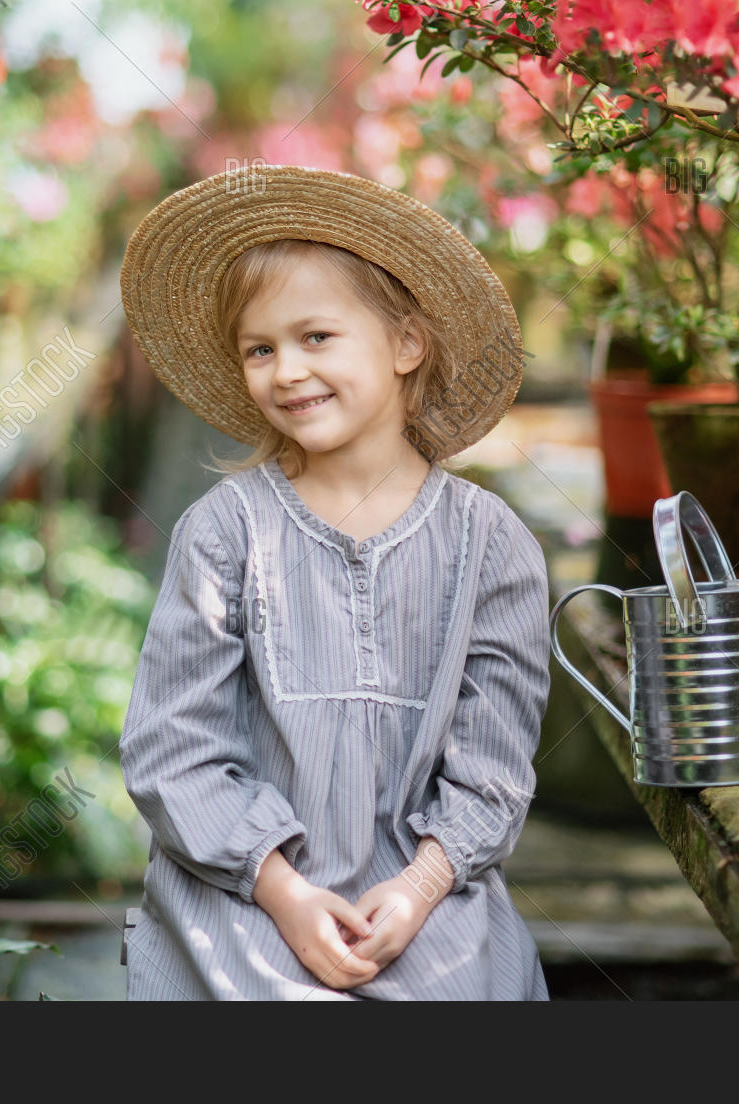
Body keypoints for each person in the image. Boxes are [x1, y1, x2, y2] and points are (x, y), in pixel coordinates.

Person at [116, 164, 551, 1000]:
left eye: (316, 337)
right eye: (260, 348)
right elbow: (172, 747)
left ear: (406, 344)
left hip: (425, 893)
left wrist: (419, 886)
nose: (286, 370)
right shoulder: (225, 530)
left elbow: (493, 766)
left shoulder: (491, 545)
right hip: (244, 892)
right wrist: (283, 891)